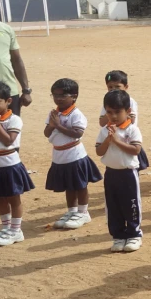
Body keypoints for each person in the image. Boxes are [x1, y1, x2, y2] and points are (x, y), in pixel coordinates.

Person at [46, 78, 102, 231]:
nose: (58, 99)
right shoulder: (54, 113)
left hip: (74, 155)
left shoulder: (76, 114)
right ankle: (72, 211)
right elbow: (46, 133)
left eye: (63, 95)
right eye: (55, 95)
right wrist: (52, 125)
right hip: (59, 156)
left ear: (74, 96)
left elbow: (77, 133)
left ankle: (83, 213)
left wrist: (58, 125)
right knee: (68, 186)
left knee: (80, 185)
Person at [0, 80, 35, 247]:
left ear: (8, 101)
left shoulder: (14, 120)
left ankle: (16, 230)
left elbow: (8, 141)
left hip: (9, 165)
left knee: (14, 198)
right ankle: (6, 227)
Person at [95, 90, 144, 252]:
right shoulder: (105, 130)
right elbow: (99, 151)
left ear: (128, 111)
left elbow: (136, 150)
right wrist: (108, 140)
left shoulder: (132, 130)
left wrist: (116, 141)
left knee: (131, 204)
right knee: (113, 205)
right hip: (111, 173)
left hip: (128, 173)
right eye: (109, 112)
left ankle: (134, 234)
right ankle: (118, 236)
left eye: (118, 112)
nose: (113, 116)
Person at [0, 0, 35, 119]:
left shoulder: (6, 29)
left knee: (11, 128)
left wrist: (26, 90)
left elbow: (16, 60)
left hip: (8, 92)